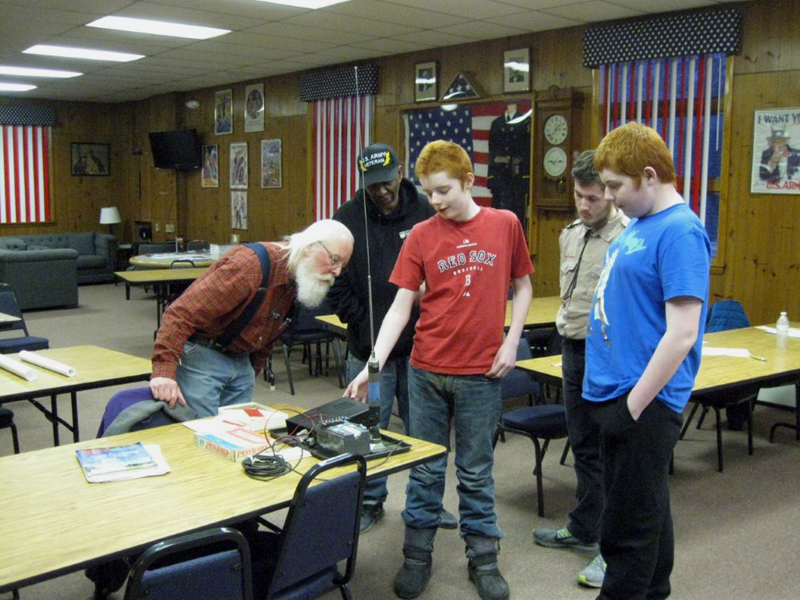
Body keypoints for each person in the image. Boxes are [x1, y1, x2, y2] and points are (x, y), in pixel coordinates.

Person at [345, 140, 533, 600]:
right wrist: (374, 363)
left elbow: (523, 286)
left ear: (469, 181)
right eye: (429, 192)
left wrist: (512, 342)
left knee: (475, 472)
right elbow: (399, 308)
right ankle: (416, 557)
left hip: (480, 376)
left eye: (444, 190)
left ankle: (484, 559)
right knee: (426, 470)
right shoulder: (422, 236)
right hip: (426, 372)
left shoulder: (505, 224)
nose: (436, 201)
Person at [585, 122, 710, 600]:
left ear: (650, 176)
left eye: (616, 185)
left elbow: (682, 334)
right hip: (618, 390)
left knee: (625, 531)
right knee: (649, 509)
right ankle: (656, 592)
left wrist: (633, 406)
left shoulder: (680, 231)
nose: (610, 196)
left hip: (643, 401)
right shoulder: (641, 224)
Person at [328, 143, 457, 533]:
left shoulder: (424, 209)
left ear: (400, 172)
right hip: (369, 351)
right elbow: (332, 284)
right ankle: (369, 501)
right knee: (366, 433)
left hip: (422, 350)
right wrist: (366, 324)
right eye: (372, 186)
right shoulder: (347, 218)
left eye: (386, 182)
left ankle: (428, 502)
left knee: (425, 433)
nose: (381, 191)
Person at [532, 150, 627, 589]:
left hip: (609, 357)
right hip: (572, 350)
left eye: (592, 197)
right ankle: (585, 527)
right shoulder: (570, 234)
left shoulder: (628, 237)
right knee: (584, 447)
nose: (584, 205)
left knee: (612, 456)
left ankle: (613, 551)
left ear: (609, 194)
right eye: (578, 195)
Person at [150, 219, 354, 417]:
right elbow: (180, 314)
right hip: (203, 357)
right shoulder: (250, 266)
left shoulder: (299, 277)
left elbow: (270, 329)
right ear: (309, 247)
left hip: (241, 363)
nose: (336, 272)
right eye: (334, 259)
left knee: (235, 437)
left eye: (342, 266)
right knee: (201, 435)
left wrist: (250, 370)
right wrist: (163, 371)